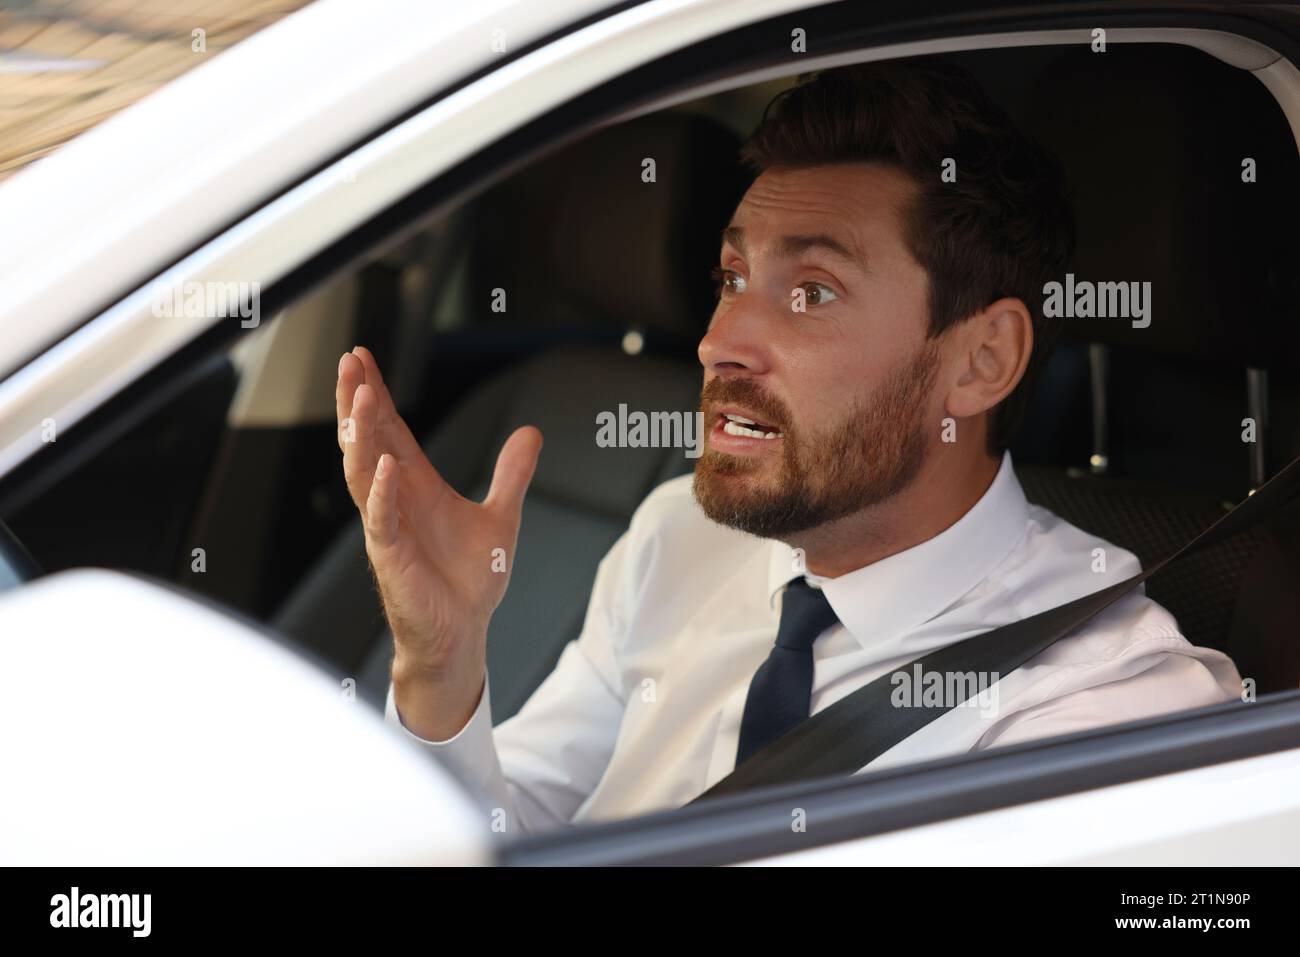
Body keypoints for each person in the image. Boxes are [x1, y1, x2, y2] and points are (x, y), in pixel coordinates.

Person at [335, 59, 1241, 835]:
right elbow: (514, 829)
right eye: (731, 277)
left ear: (982, 358)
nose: (720, 339)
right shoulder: (676, 539)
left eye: (811, 292)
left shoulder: (1107, 712)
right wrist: (443, 670)